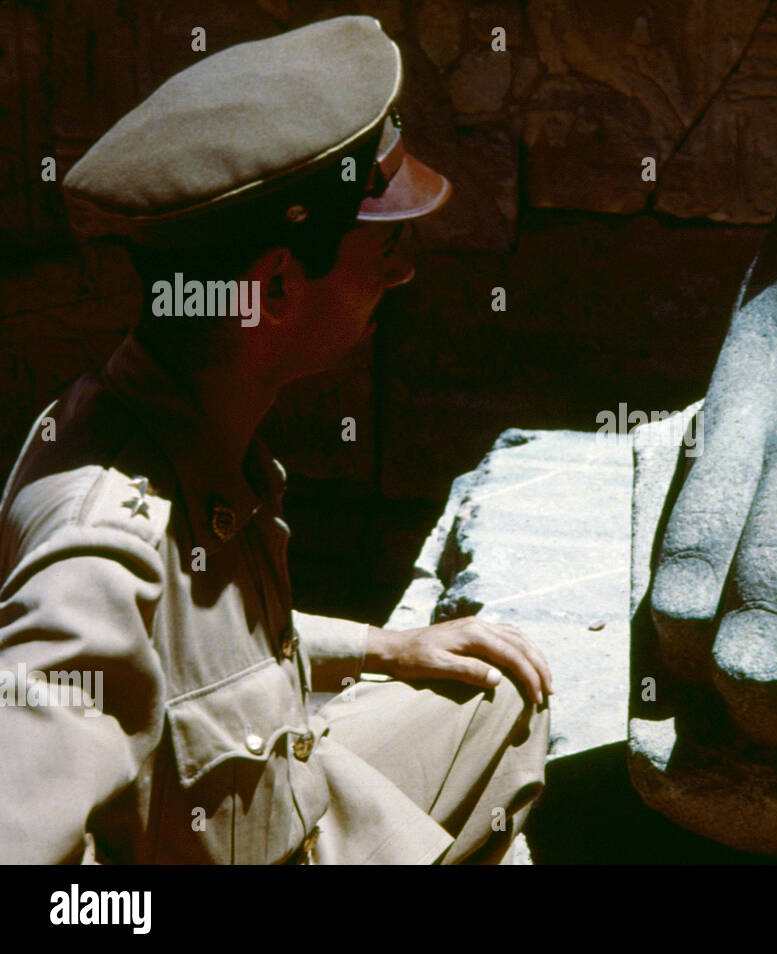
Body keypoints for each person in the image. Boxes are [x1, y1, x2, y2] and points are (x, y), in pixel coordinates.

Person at [0, 15, 552, 864]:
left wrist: (385, 648)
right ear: (278, 284)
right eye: (385, 243)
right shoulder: (104, 544)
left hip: (283, 806)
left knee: (503, 699)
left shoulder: (185, 420)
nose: (403, 269)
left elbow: (211, 660)